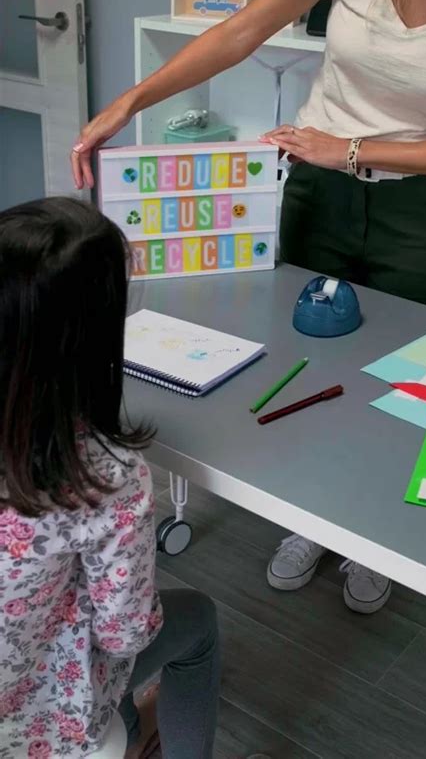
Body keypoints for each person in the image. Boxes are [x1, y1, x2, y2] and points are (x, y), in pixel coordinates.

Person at [71, 0, 426, 615]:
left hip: (422, 206)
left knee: (413, 385)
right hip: (321, 188)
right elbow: (240, 31)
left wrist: (351, 150)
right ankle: (310, 520)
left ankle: (371, 534)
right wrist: (131, 101)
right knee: (309, 361)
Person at [0, 198, 220, 759]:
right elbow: (126, 633)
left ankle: (134, 718)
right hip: (36, 720)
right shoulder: (103, 476)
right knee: (197, 621)